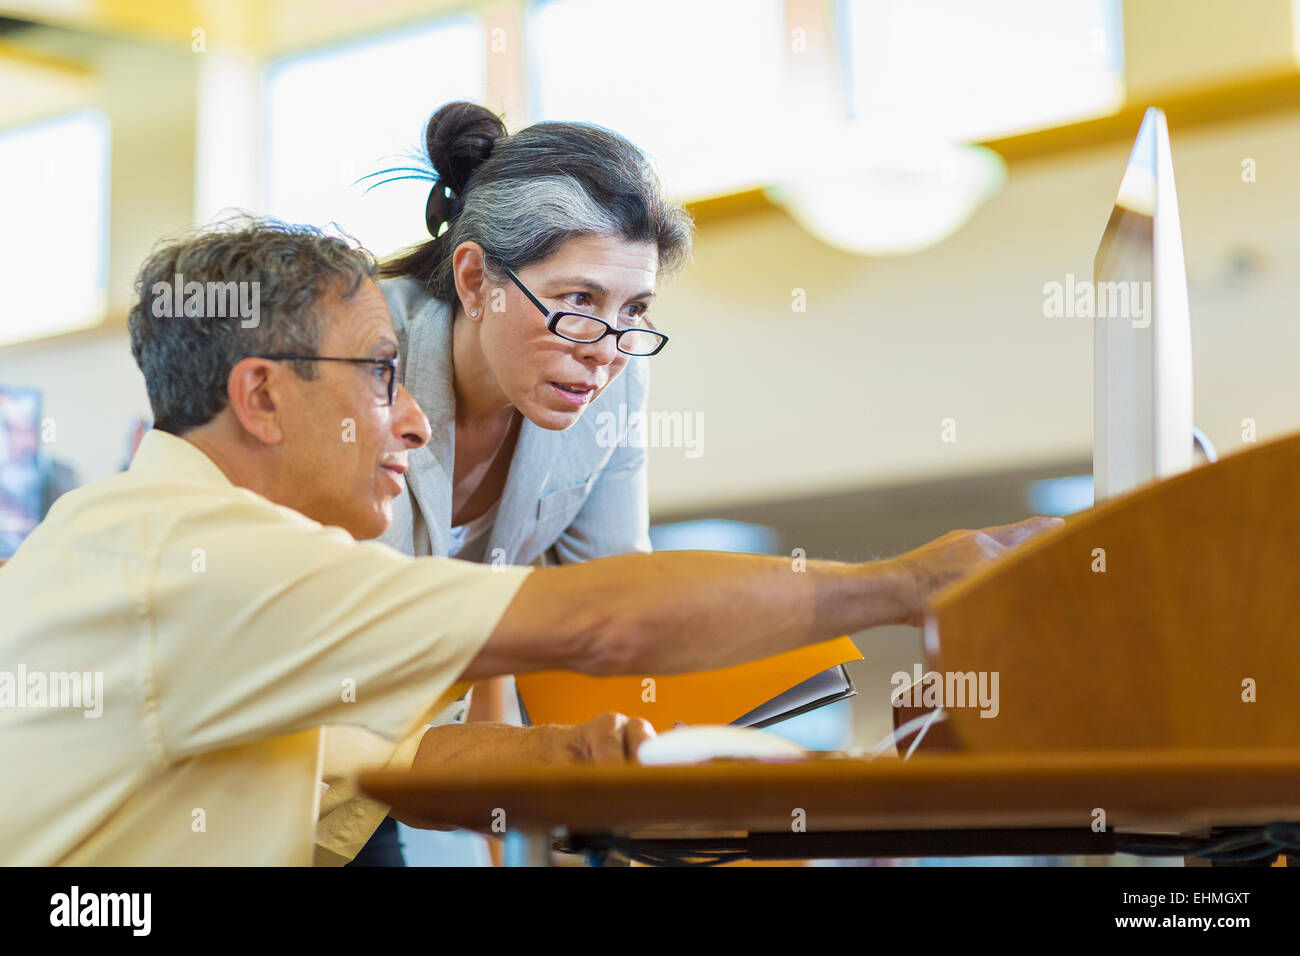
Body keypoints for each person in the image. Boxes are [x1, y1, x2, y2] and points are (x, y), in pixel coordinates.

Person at [0, 219, 1060, 865]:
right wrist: (913, 580)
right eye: (380, 375)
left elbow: (397, 761)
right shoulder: (209, 556)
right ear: (263, 397)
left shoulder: (169, 544)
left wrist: (601, 761)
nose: (412, 423)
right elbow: (598, 620)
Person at [344, 101, 688, 864]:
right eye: (577, 302)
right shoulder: (357, 359)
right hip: (277, 726)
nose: (606, 350)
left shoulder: (613, 388)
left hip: (406, 742)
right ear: (475, 279)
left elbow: (609, 603)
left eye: (634, 309)